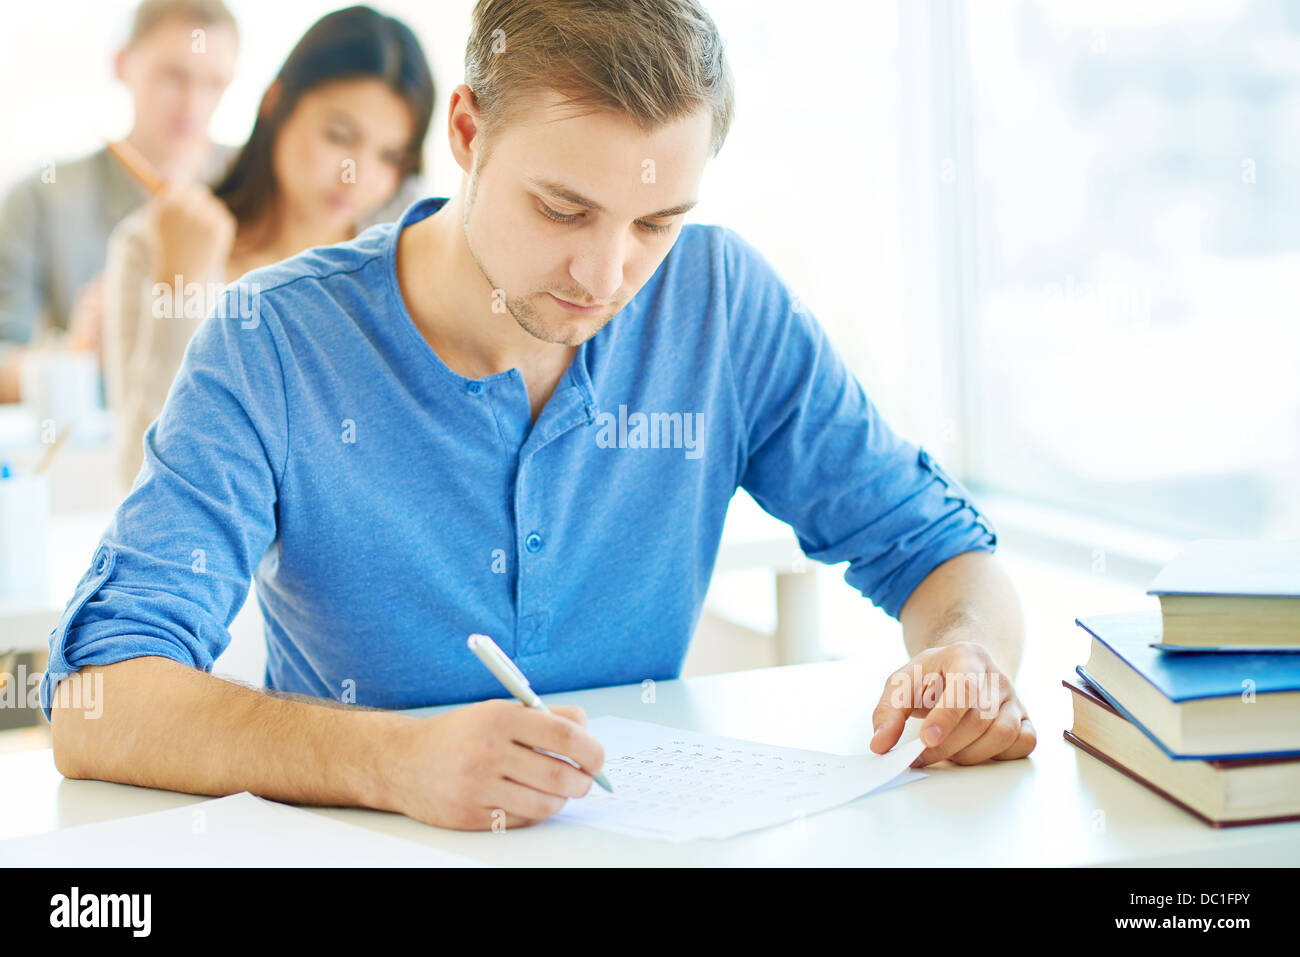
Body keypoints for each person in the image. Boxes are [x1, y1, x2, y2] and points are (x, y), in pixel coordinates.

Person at [44, 0, 1035, 833]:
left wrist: (969, 661)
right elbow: (98, 700)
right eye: (563, 210)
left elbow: (940, 552)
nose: (605, 279)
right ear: (468, 134)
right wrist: (389, 762)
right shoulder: (275, 339)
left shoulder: (721, 304)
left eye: (655, 222)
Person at [103, 5, 435, 492]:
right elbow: (139, 477)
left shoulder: (400, 261)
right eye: (339, 136)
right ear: (275, 103)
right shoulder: (151, 245)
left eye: (390, 155)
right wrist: (183, 285)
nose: (358, 175)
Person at [0, 0, 240, 404]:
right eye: (172, 76)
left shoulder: (255, 188)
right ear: (122, 65)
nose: (192, 104)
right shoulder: (41, 198)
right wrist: (73, 356)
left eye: (214, 83)